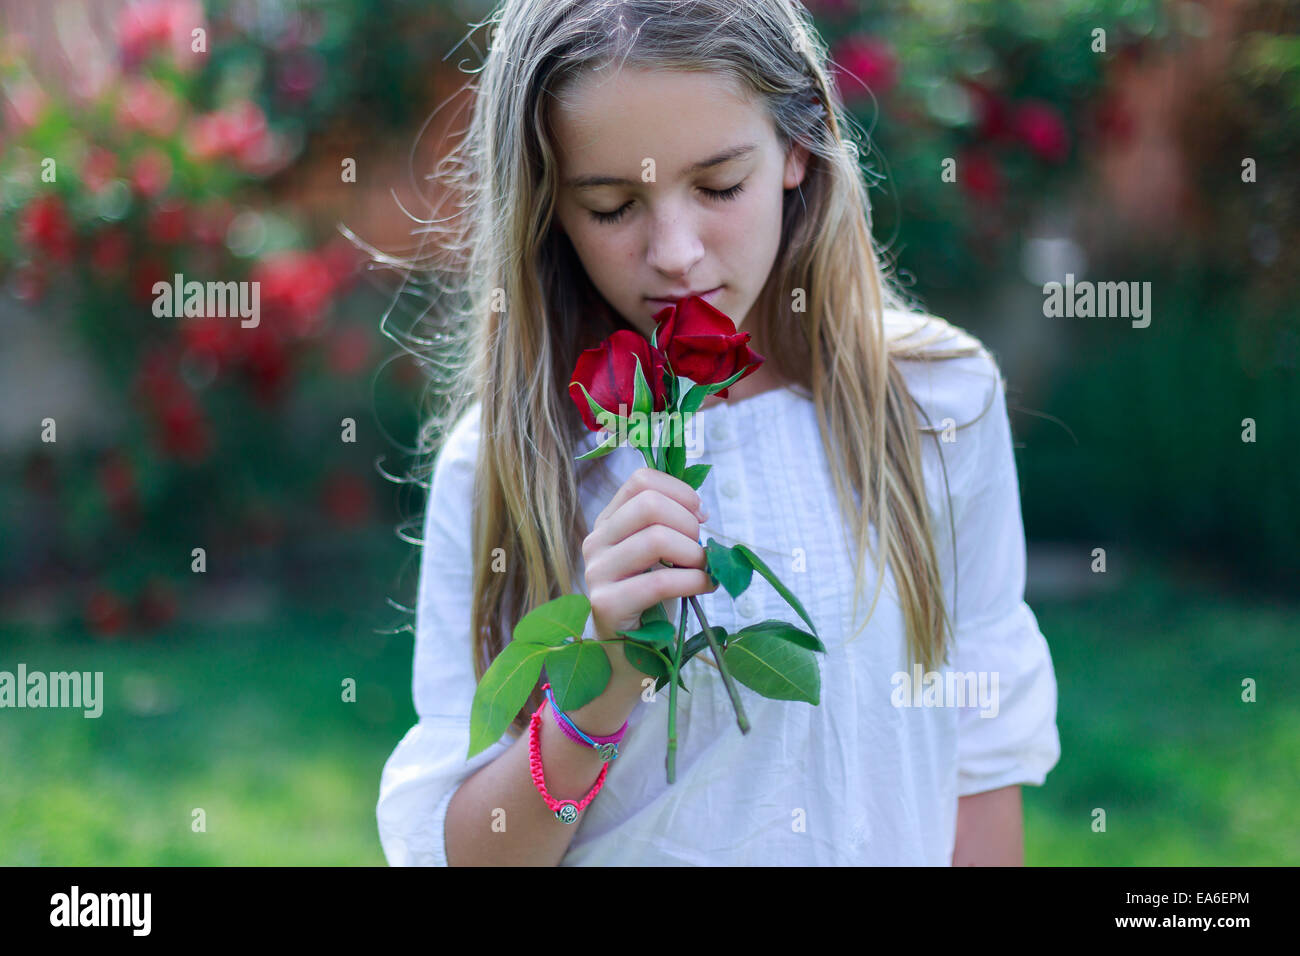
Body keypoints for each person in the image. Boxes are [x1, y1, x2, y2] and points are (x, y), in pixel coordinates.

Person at [375, 0, 1060, 866]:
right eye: (613, 205)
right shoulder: (511, 460)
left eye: (719, 186)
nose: (676, 253)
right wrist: (603, 677)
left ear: (798, 146)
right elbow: (471, 855)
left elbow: (982, 760)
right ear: (550, 211)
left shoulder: (935, 403)